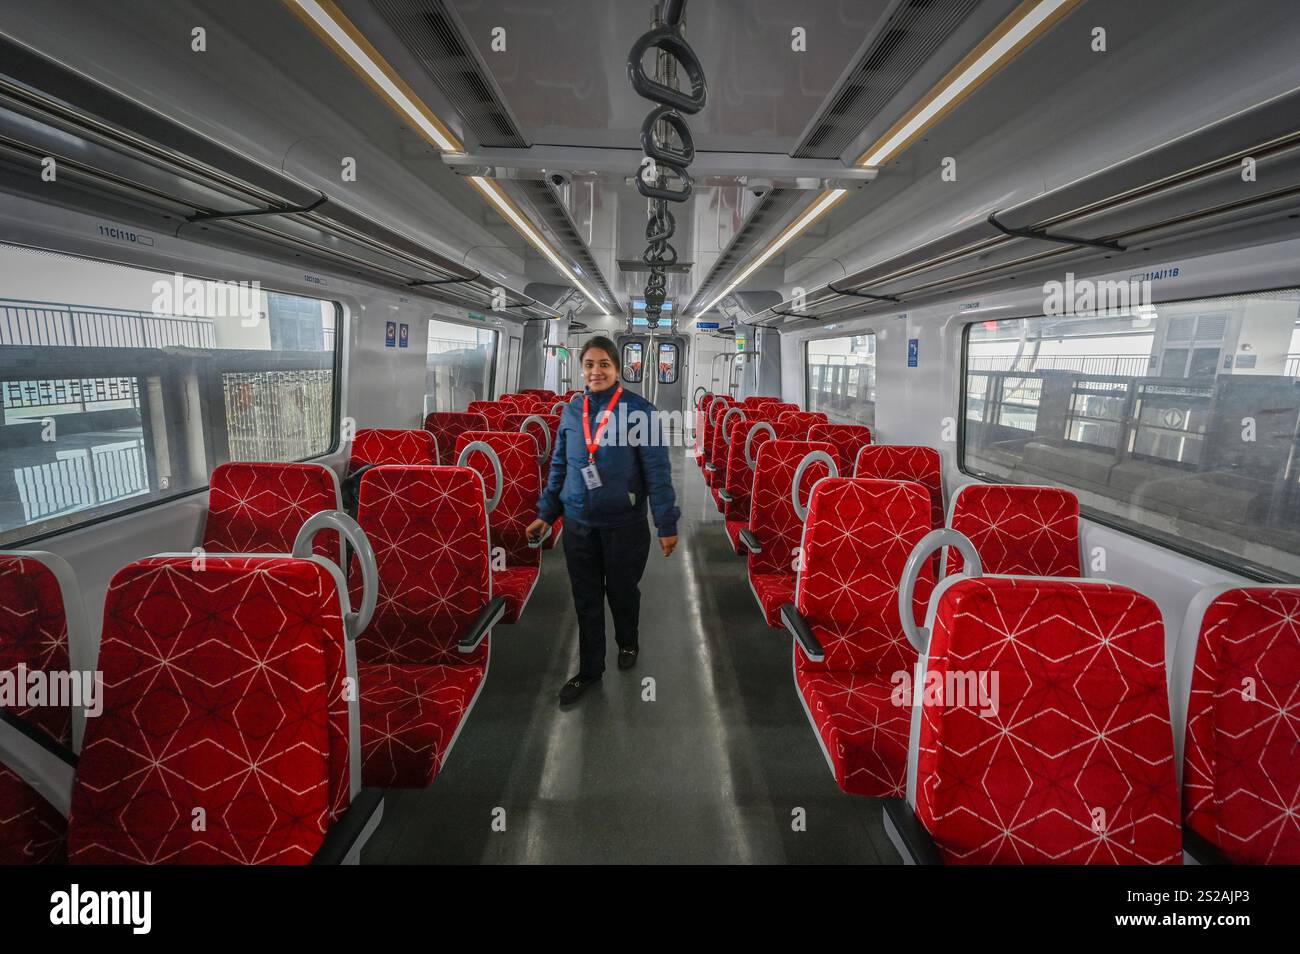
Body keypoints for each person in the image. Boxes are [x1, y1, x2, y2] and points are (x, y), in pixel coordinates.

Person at [528, 336, 680, 704]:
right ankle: (590, 670)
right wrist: (547, 513)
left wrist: (666, 523)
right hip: (579, 524)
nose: (596, 371)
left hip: (624, 523)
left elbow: (657, 470)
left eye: (604, 364)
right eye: (590, 364)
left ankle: (628, 641)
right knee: (587, 599)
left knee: (623, 592)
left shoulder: (639, 411)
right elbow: (560, 466)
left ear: (617, 369)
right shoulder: (571, 411)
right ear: (582, 369)